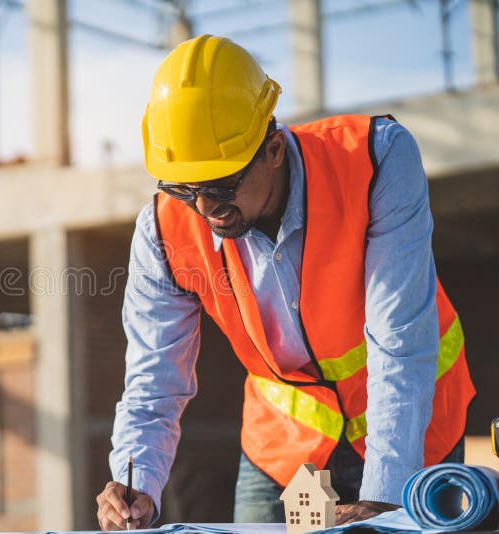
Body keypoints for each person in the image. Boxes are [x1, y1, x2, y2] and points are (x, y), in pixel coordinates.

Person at [95, 34, 474, 530]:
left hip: (413, 433)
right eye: (184, 189)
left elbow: (399, 341)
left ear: (272, 149)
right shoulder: (162, 233)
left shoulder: (375, 161)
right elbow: (153, 380)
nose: (206, 210)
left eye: (220, 186)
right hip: (285, 449)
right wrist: (136, 483)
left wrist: (385, 500)